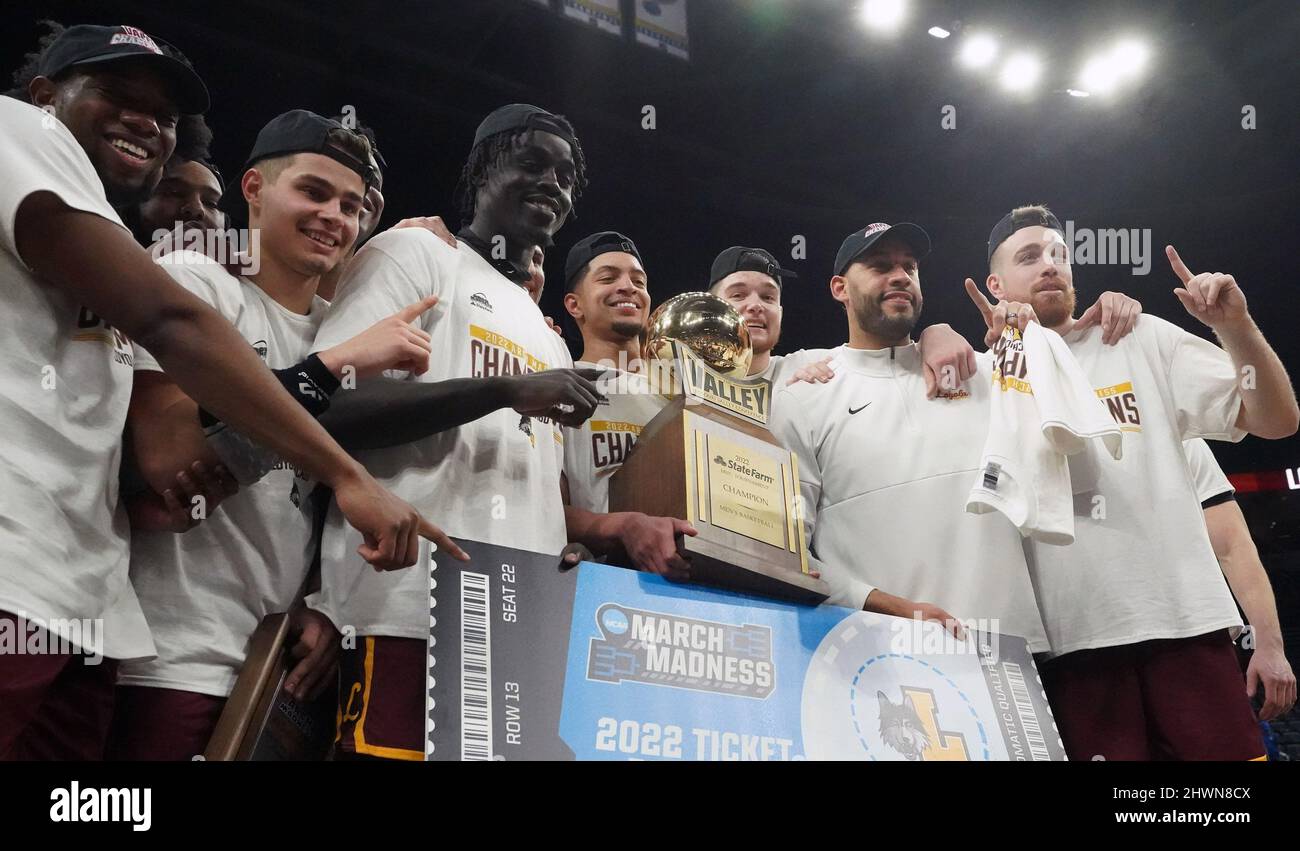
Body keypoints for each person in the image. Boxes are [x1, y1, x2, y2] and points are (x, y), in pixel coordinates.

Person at [0, 23, 434, 761]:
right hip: (110, 621)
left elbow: (161, 476)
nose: (147, 124)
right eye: (118, 95)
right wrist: (338, 422)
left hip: (99, 617)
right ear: (46, 96)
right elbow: (175, 419)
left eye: (165, 118)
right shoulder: (21, 134)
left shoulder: (117, 251)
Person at [106, 110, 454, 760]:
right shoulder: (200, 279)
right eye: (314, 192)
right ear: (255, 189)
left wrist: (321, 604)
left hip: (272, 672)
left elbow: (314, 506)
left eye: (352, 206)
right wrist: (336, 365)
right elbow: (178, 473)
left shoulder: (344, 323)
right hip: (169, 650)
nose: (334, 216)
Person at [308, 104, 606, 759]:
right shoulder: (413, 255)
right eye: (531, 162)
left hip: (520, 625)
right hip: (407, 607)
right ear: (481, 172)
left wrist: (563, 550)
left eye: (565, 175)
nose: (551, 183)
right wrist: (503, 389)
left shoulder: (546, 335)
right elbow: (325, 406)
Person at [978, 203, 1298, 760]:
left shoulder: (1139, 337)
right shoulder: (987, 379)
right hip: (1069, 644)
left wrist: (1234, 326)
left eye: (1059, 255)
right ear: (996, 283)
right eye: (1029, 257)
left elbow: (1276, 421)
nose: (1049, 265)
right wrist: (941, 336)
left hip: (1187, 624)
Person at [1183, 439, 1296, 723]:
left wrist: (1270, 646)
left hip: (1196, 640)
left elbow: (1232, 546)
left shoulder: (1181, 437)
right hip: (1079, 650)